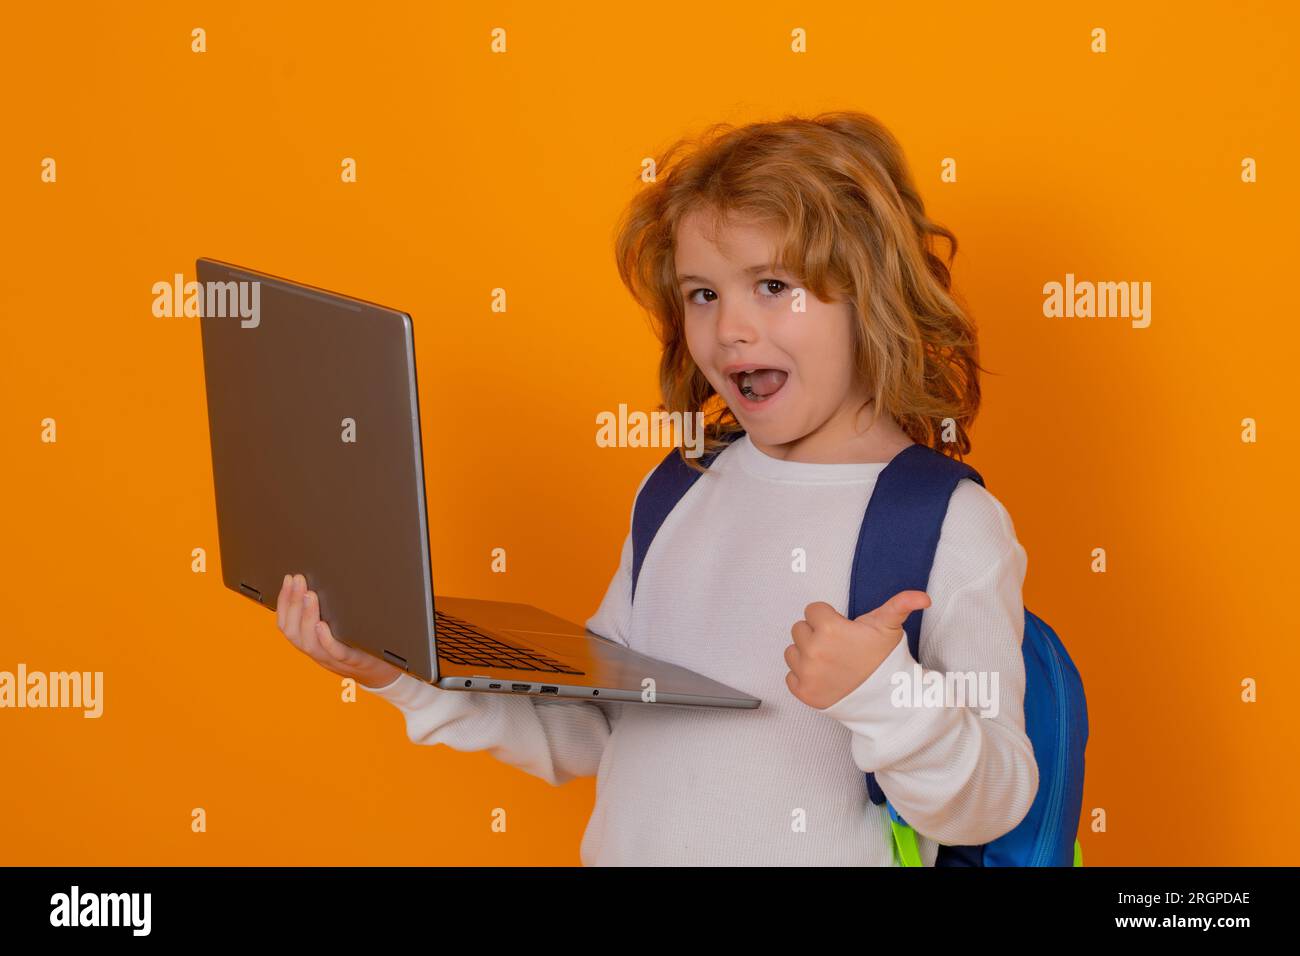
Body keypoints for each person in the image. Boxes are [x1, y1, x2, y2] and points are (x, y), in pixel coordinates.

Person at [278, 110, 1038, 865]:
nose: (729, 329)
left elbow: (992, 800)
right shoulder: (680, 488)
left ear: (871, 297)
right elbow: (595, 726)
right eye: (702, 294)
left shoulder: (946, 524)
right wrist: (400, 675)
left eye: (773, 285)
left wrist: (885, 693)